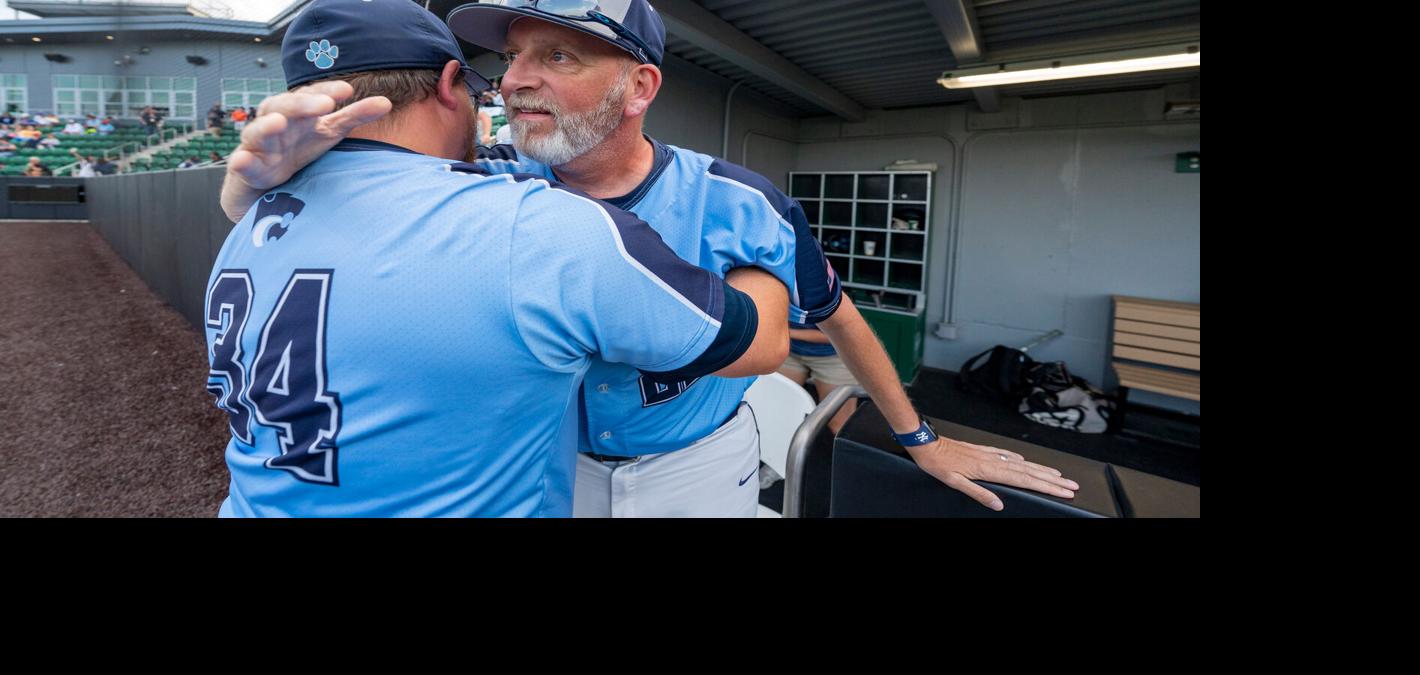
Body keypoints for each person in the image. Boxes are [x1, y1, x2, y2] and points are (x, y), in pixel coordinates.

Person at [225, 0, 1079, 516]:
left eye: (557, 55)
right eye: (511, 55)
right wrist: (267, 179)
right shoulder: (484, 180)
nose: (515, 78)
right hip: (553, 469)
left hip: (694, 467)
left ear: (639, 87)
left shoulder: (739, 199)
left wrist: (921, 438)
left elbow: (839, 319)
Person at [202, 0, 789, 517]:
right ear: (449, 83)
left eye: (558, 57)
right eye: (499, 68)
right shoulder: (538, 225)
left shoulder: (250, 222)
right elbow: (759, 343)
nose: (508, 86)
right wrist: (762, 274)